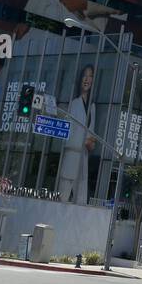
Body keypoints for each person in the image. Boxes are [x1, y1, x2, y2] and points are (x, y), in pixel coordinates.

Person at [57, 64, 97, 205]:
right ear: (80, 79)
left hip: (83, 157)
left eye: (90, 76)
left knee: (81, 199)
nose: (87, 79)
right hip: (72, 155)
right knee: (63, 196)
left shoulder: (92, 106)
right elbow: (67, 133)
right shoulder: (73, 104)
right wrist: (84, 141)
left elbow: (92, 133)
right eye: (85, 75)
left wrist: (91, 142)